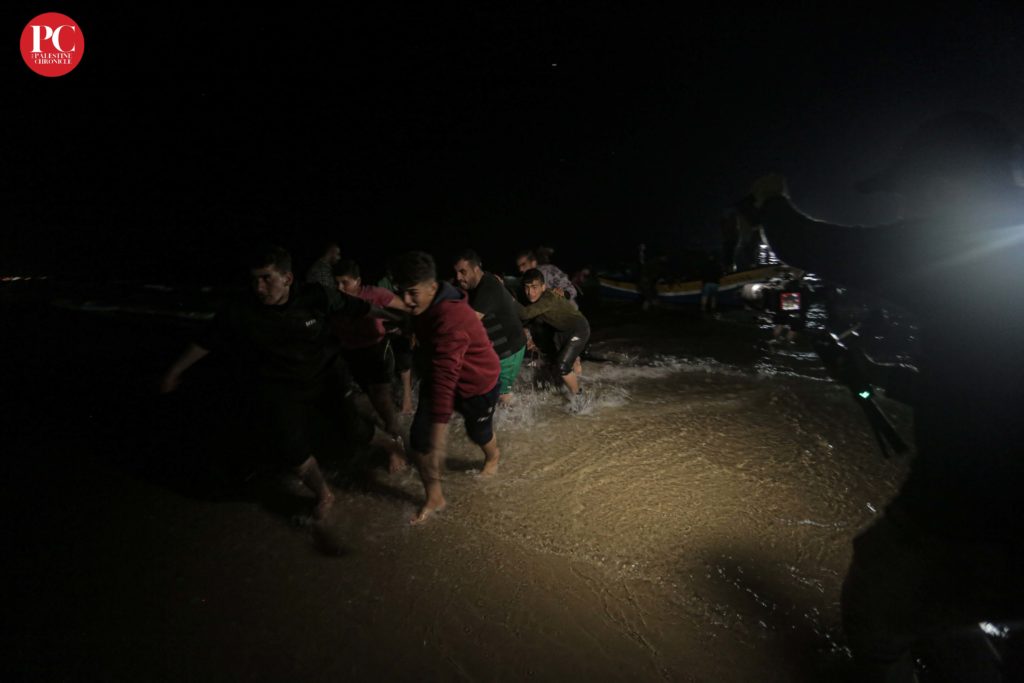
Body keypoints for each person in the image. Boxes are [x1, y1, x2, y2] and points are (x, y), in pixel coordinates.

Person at [750, 110, 1024, 682]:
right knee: (959, 615)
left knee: (876, 607)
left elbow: (805, 240)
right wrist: (881, 373)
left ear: (945, 183)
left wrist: (769, 197)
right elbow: (984, 386)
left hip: (970, 512)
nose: (902, 213)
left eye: (907, 195)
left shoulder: (961, 239)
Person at [160, 245, 383, 521]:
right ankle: (324, 494)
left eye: (266, 278)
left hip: (324, 375)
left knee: (355, 431)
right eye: (254, 279)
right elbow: (206, 340)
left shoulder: (314, 295)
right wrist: (174, 371)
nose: (259, 286)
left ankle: (390, 445)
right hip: (280, 386)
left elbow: (362, 307)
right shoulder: (240, 309)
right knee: (292, 450)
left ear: (287, 278)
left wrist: (401, 317)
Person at [391, 251, 502, 525]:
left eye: (412, 293)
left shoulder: (452, 317)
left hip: (479, 382)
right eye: (402, 293)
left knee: (478, 433)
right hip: (440, 374)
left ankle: (494, 456)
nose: (407, 300)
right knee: (418, 441)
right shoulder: (423, 302)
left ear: (432, 287)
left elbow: (445, 380)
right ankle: (434, 496)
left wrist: (440, 439)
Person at [331, 259, 411, 473]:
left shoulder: (374, 294)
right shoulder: (335, 300)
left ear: (357, 281)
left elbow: (406, 307)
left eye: (345, 283)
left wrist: (400, 327)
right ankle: (380, 438)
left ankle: (396, 447)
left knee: (382, 398)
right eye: (336, 283)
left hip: (376, 349)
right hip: (349, 353)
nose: (340, 288)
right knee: (358, 402)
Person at [454, 249, 528, 405]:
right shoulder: (476, 284)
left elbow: (467, 325)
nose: (458, 277)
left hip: (509, 350)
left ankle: (519, 424)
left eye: (463, 272)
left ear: (476, 269)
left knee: (502, 397)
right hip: (497, 350)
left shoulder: (488, 287)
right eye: (456, 272)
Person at [518, 268, 590, 400]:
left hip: (578, 329)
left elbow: (524, 314)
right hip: (560, 332)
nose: (530, 292)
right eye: (527, 288)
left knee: (563, 367)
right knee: (555, 366)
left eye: (534, 287)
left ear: (543, 287)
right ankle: (570, 387)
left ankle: (580, 398)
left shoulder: (548, 297)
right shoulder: (535, 299)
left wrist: (506, 299)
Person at [699, 252, 723, 317]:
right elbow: (721, 274)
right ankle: (713, 310)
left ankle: (703, 309)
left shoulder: (705, 265)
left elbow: (702, 274)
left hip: (707, 283)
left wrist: (702, 282)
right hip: (715, 283)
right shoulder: (718, 265)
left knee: (705, 296)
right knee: (714, 297)